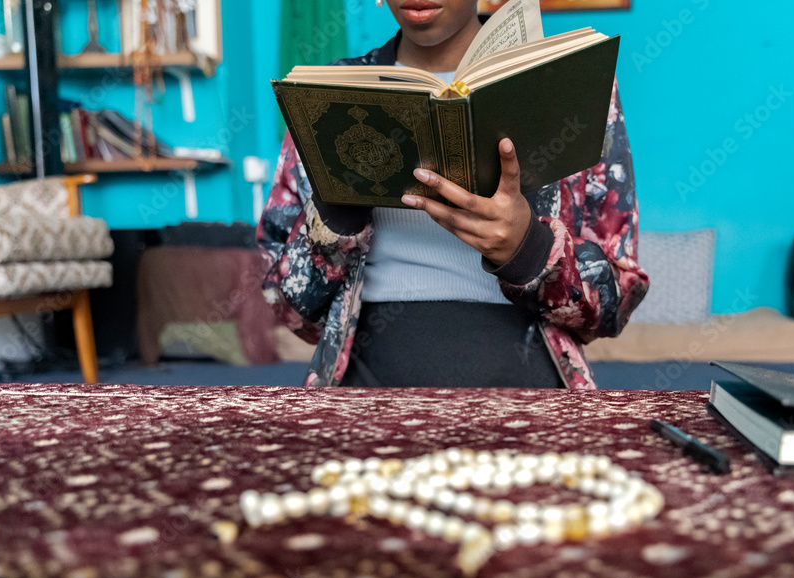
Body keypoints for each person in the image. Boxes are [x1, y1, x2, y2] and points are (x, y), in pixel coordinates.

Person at [257, 0, 648, 389]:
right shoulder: (325, 96)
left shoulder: (566, 85)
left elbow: (616, 303)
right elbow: (288, 308)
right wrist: (334, 217)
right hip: (367, 379)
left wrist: (528, 249)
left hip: (527, 379)